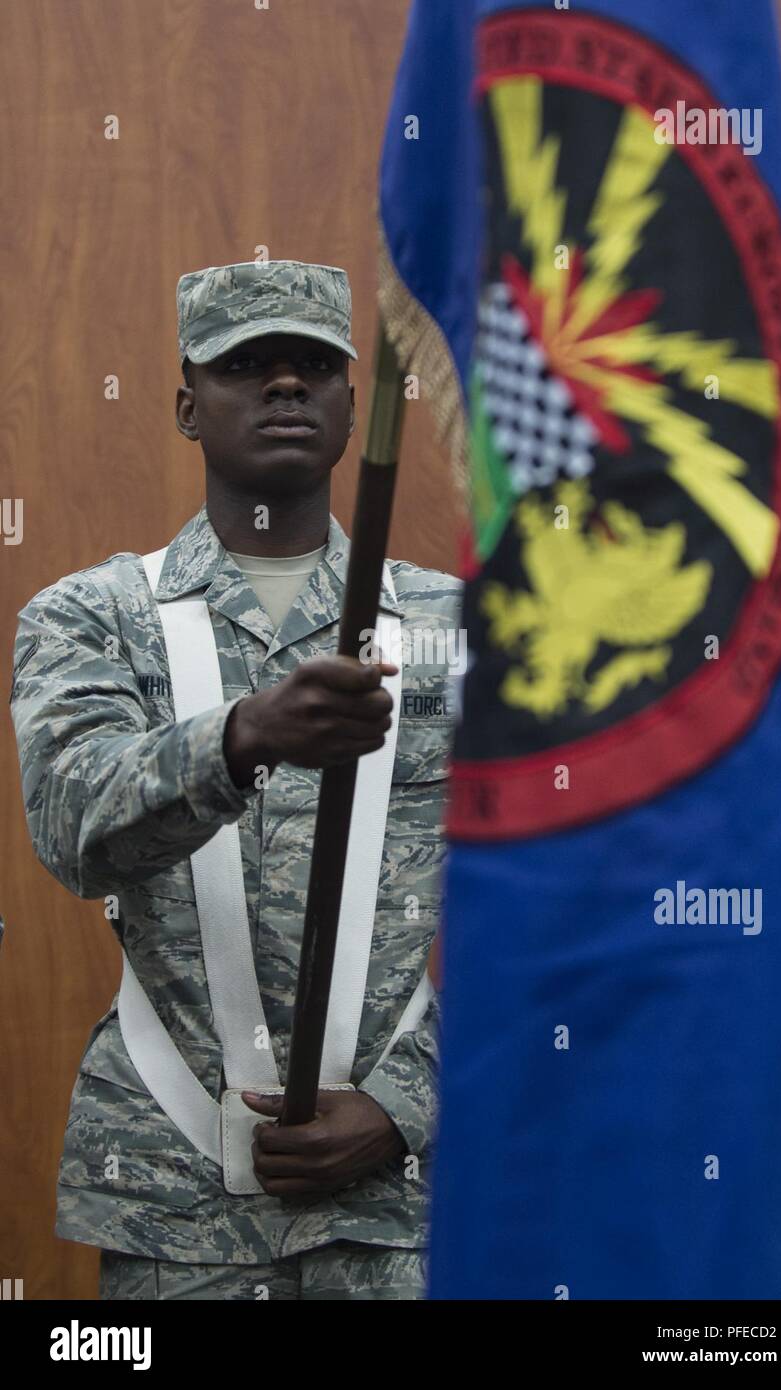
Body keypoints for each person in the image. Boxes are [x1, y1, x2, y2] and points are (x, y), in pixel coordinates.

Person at [10, 259, 461, 1301]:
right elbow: (74, 828)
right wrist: (241, 735)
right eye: (244, 364)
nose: (285, 386)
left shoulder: (451, 633)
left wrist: (408, 1103)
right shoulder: (91, 617)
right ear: (184, 405)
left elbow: (553, 896)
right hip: (175, 1206)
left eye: (313, 366)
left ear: (355, 403)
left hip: (400, 1210)